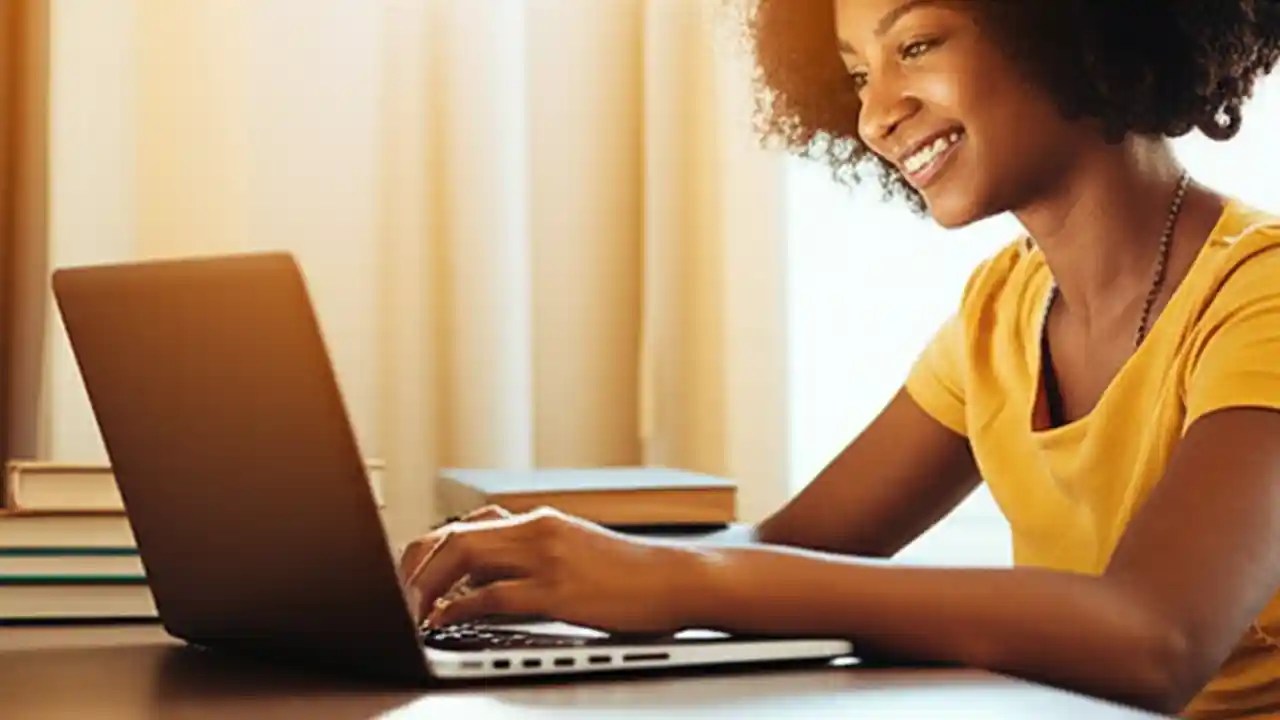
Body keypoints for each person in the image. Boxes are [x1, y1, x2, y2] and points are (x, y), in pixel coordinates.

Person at [398, 2, 1280, 716]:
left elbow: (1156, 637)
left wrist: (676, 576)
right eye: (859, 73)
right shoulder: (1001, 314)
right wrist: (563, 566)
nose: (873, 114)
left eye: (918, 44)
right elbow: (790, 548)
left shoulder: (1260, 297)